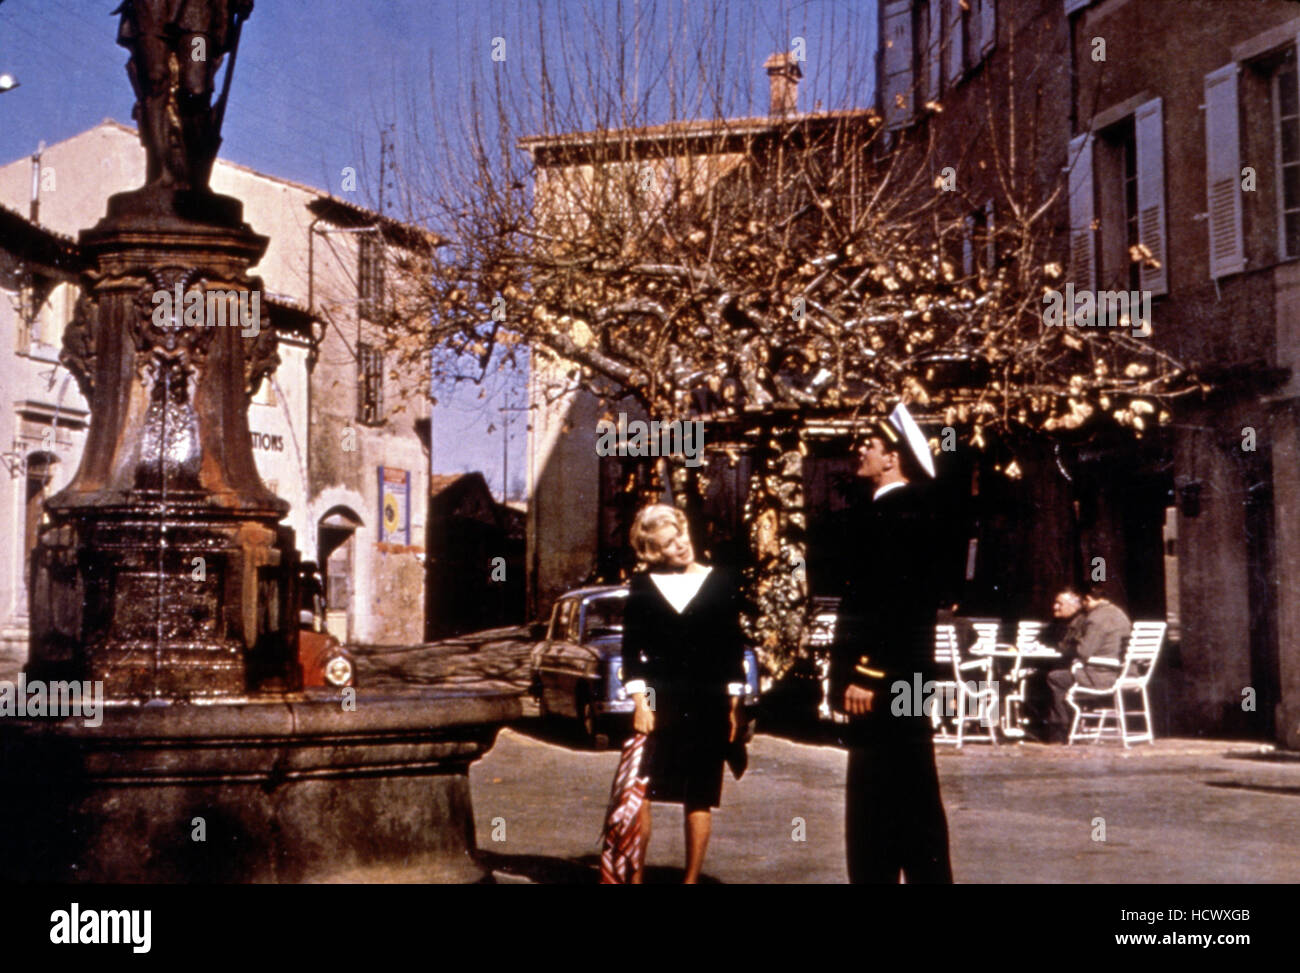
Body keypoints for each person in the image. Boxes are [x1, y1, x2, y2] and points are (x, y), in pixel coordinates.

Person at [827, 403, 952, 884]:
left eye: (871, 445)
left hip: (885, 678)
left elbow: (895, 604)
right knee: (913, 791)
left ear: (892, 458)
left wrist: (866, 673)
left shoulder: (893, 516)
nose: (860, 450)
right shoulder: (907, 512)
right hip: (909, 679)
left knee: (878, 801)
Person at [621, 504, 747, 884]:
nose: (680, 546)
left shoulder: (722, 581)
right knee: (639, 790)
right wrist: (641, 703)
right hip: (660, 699)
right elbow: (631, 650)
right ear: (654, 552)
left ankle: (691, 880)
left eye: (680, 535)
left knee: (700, 794)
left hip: (708, 701)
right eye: (668, 544)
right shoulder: (642, 586)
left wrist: (735, 707)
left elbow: (732, 648)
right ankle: (635, 877)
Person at [1045, 582, 1133, 742]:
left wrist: (1073, 644)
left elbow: (1083, 652)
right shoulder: (1119, 613)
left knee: (1055, 677)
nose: (1082, 607)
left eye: (1082, 602)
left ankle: (1060, 729)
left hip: (1101, 674)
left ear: (1086, 599)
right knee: (1059, 674)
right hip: (1121, 672)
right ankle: (1069, 726)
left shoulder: (1095, 618)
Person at [1023, 588, 1087, 741]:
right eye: (1055, 603)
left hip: (1069, 668)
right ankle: (1037, 726)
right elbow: (1041, 641)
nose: (1054, 607)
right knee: (1031, 678)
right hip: (1052, 664)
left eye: (1059, 604)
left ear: (1075, 606)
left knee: (1045, 678)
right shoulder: (1056, 623)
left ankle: (1056, 729)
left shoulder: (1081, 624)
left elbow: (1077, 650)